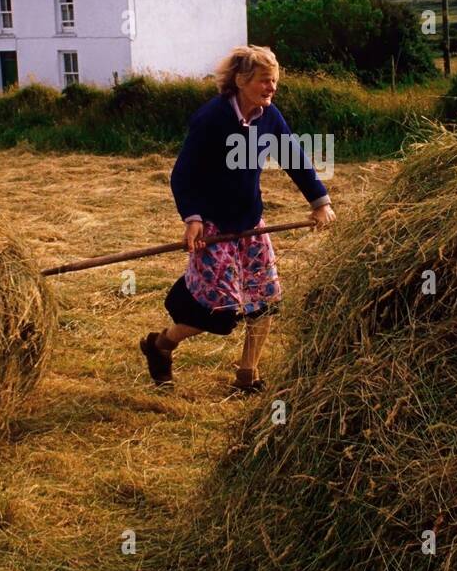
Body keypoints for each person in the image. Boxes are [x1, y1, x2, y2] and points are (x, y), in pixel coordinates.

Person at [139, 45, 335, 392]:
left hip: (251, 225)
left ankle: (247, 374)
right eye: (264, 81)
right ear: (241, 81)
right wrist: (193, 218)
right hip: (214, 227)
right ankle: (160, 345)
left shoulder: (269, 117)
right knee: (215, 310)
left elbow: (293, 156)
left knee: (264, 300)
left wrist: (319, 201)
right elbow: (183, 175)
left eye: (274, 82)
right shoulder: (211, 118)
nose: (271, 88)